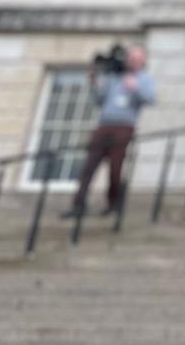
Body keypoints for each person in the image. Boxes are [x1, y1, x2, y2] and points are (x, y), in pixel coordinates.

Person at [63, 43, 155, 218]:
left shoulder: (144, 78)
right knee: (89, 166)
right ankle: (78, 205)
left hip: (124, 127)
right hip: (104, 125)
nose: (132, 61)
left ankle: (113, 205)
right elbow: (99, 100)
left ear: (143, 61)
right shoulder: (114, 77)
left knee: (115, 167)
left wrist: (134, 87)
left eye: (136, 58)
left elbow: (150, 98)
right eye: (130, 57)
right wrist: (93, 82)